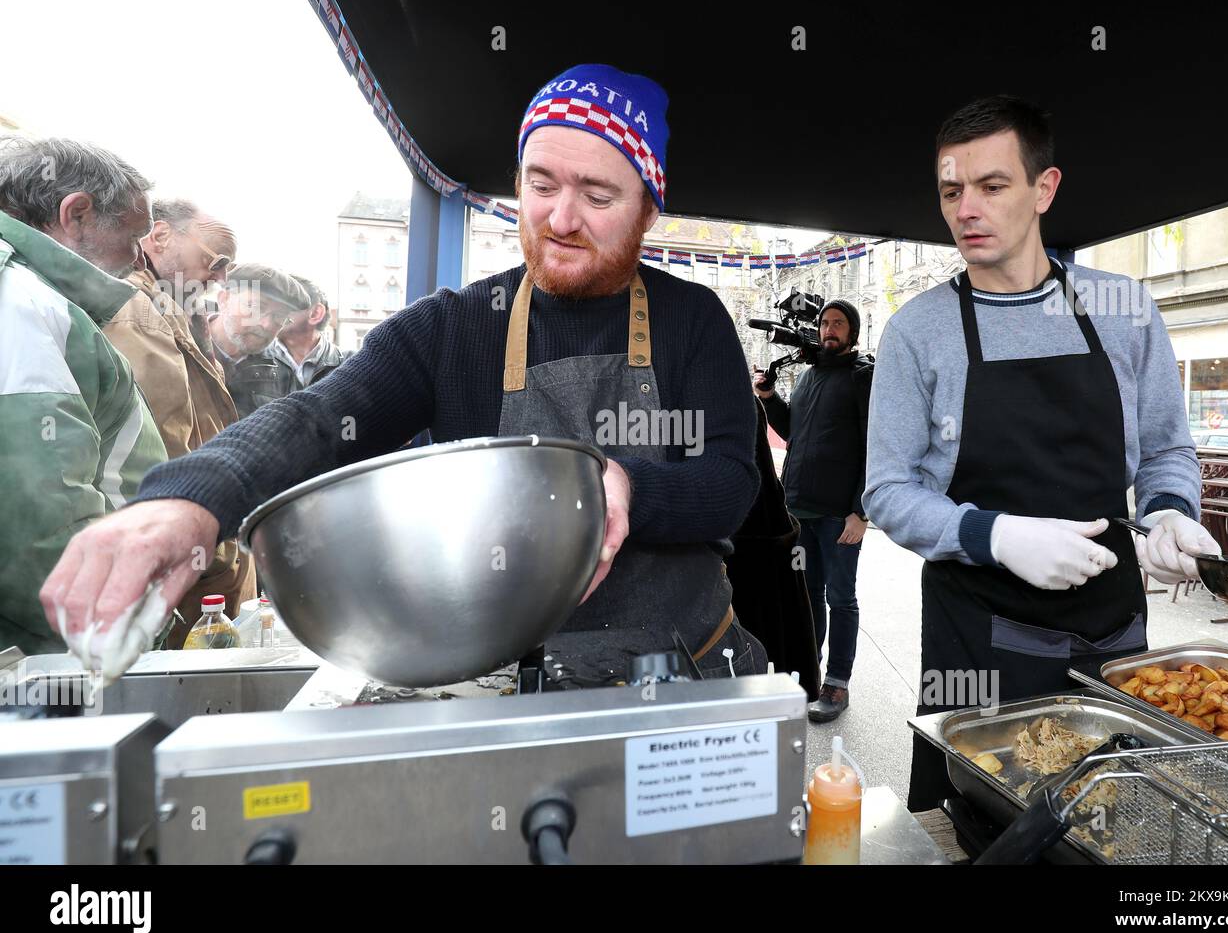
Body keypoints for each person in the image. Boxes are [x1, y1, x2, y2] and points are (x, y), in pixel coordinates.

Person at [41, 64, 767, 685]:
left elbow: (731, 482)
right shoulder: (456, 327)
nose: (561, 219)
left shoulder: (691, 319)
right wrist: (189, 499)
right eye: (541, 185)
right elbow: (318, 419)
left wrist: (629, 487)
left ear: (648, 208)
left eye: (599, 197)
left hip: (686, 669)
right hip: (515, 680)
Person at [862, 95, 1217, 810]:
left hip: (1113, 632)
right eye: (951, 192)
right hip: (978, 642)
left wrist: (1170, 511)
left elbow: (1167, 449)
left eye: (992, 186)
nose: (967, 210)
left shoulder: (1123, 310)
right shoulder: (918, 331)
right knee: (981, 824)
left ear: (1044, 188)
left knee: (1113, 817)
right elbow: (887, 491)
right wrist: (994, 535)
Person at [0, 137, 166, 654]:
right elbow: (37, 518)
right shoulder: (19, 301)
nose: (140, 257)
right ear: (76, 214)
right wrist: (114, 632)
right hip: (58, 659)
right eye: (134, 235)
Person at [103, 201, 253, 642]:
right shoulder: (137, 308)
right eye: (215, 260)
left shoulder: (170, 306)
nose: (219, 277)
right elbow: (159, 441)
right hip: (183, 541)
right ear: (161, 235)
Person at [754, 300, 872, 721]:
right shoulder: (807, 376)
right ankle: (810, 672)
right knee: (807, 598)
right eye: (824, 323)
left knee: (841, 598)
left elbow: (875, 446)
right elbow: (792, 431)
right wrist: (769, 398)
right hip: (799, 511)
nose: (829, 329)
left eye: (838, 323)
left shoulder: (863, 376)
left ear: (852, 332)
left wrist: (861, 511)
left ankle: (837, 683)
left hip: (840, 517)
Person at [139, 198, 237, 365]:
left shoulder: (191, 311)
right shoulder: (124, 299)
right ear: (161, 236)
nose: (222, 279)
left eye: (228, 268)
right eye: (217, 262)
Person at [207, 263, 311, 418]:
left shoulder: (284, 375)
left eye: (279, 316)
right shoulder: (180, 349)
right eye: (256, 307)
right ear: (224, 300)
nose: (266, 324)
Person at [266, 274, 350, 393]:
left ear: (315, 313)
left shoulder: (351, 364)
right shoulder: (251, 360)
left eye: (285, 303)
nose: (271, 311)